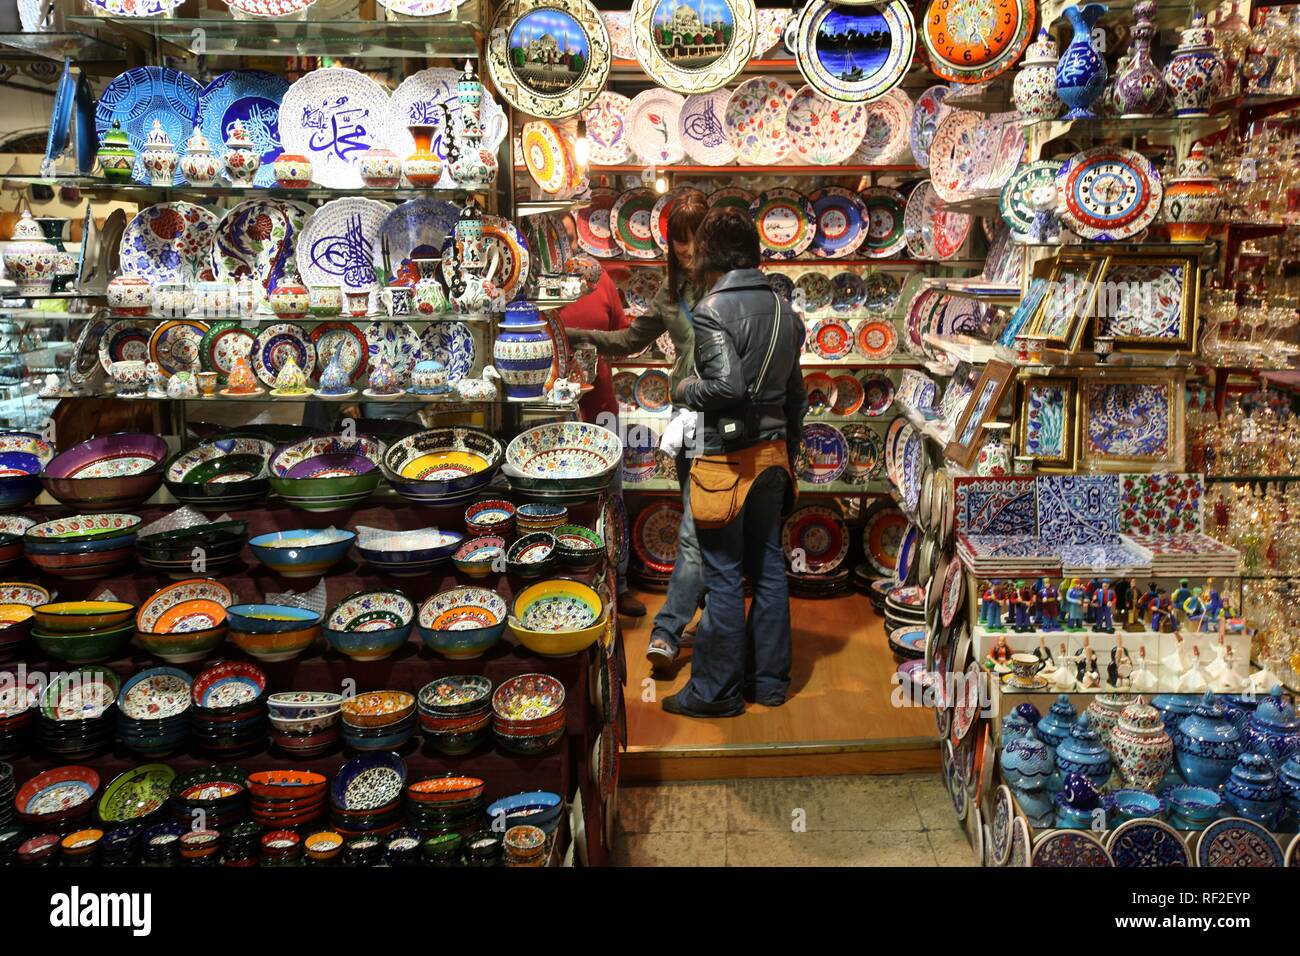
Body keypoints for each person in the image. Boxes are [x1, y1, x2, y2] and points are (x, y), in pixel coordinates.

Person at [661, 206, 807, 717]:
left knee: (723, 573)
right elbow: (796, 397)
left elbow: (727, 387)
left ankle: (714, 693)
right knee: (768, 569)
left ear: (707, 253)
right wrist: (790, 451)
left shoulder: (711, 310)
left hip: (725, 463)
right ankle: (768, 684)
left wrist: (684, 388)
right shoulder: (785, 311)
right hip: (773, 458)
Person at [567, 196, 708, 670]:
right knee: (695, 516)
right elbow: (629, 339)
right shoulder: (672, 293)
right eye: (679, 240)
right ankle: (695, 619)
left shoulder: (725, 286)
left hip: (725, 415)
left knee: (703, 523)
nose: (686, 248)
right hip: (689, 417)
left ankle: (674, 628)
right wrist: (577, 337)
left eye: (693, 237)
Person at [554, 219, 645, 618]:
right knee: (563, 498)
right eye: (557, 238)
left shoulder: (600, 279)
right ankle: (568, 580)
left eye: (570, 237)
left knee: (612, 497)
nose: (567, 246)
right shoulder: (538, 288)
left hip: (600, 407)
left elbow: (622, 336)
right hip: (552, 411)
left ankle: (618, 583)